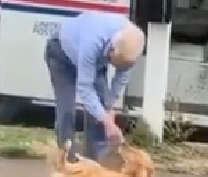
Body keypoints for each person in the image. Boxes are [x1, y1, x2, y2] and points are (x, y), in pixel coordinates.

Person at [44, 11, 145, 163]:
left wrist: (109, 108)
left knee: (100, 110)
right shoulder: (93, 42)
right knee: (67, 112)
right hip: (61, 54)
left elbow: (121, 79)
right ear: (111, 49)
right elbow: (85, 89)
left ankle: (95, 164)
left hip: (95, 60)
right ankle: (66, 163)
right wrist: (108, 122)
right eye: (111, 62)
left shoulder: (131, 46)